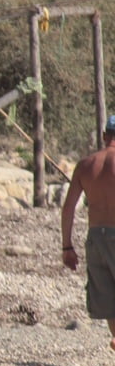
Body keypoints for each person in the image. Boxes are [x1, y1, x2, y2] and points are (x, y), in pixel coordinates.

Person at [60, 114, 115, 352]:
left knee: (107, 298)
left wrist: (67, 247)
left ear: (104, 136)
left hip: (95, 238)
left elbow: (68, 208)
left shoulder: (85, 165)